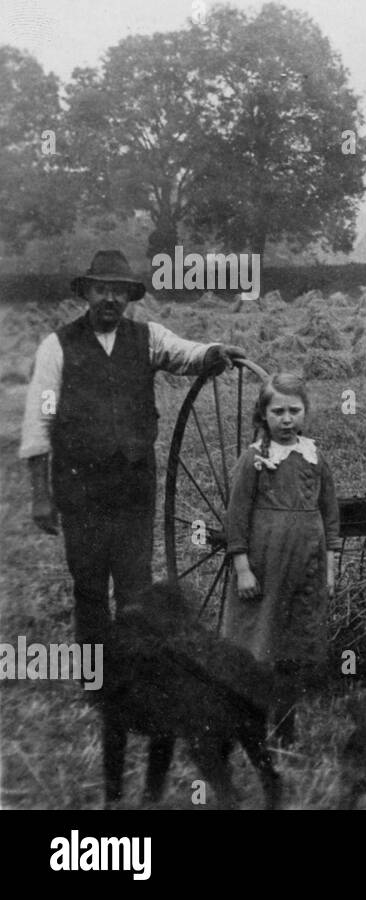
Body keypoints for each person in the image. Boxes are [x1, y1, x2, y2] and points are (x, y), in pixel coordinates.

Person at [20, 249, 243, 645]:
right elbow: (40, 420)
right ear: (87, 292)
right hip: (81, 488)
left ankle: (132, 670)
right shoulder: (57, 347)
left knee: (134, 583)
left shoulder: (148, 338)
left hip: (133, 486)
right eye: (102, 289)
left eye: (119, 291)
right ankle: (96, 672)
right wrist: (41, 495)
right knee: (88, 584)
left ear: (129, 297)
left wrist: (214, 352)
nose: (111, 299)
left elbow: (185, 353)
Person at [224, 373, 341, 747]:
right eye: (278, 411)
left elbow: (330, 513)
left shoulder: (314, 456)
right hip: (265, 564)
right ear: (264, 414)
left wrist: (330, 564)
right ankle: (247, 716)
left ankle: (285, 725)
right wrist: (242, 568)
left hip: (305, 563)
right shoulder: (254, 459)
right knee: (261, 641)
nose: (287, 419)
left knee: (293, 646)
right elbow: (237, 515)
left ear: (305, 413)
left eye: (295, 410)